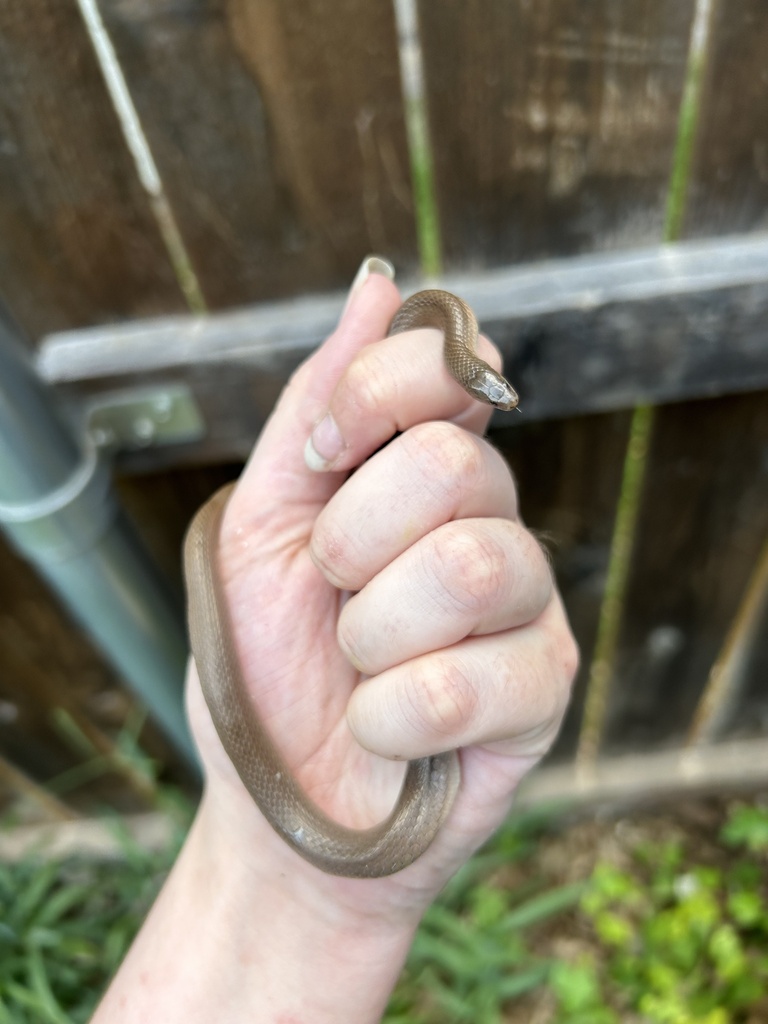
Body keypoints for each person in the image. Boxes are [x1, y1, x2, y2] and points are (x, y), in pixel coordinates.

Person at [91, 256, 578, 1023]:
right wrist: (277, 865)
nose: (500, 398)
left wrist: (313, 899)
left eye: (495, 394)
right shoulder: (256, 550)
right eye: (492, 390)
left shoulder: (448, 334)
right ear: (473, 377)